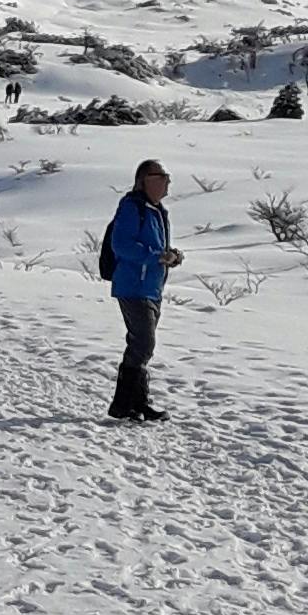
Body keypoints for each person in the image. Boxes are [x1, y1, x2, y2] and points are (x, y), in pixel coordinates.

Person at [97, 157, 181, 423]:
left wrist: (171, 256)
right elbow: (121, 245)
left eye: (168, 178)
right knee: (144, 342)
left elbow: (153, 248)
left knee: (141, 344)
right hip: (134, 286)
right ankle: (129, 404)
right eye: (162, 177)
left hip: (151, 288)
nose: (167, 183)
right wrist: (156, 256)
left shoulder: (157, 211)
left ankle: (132, 405)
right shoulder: (132, 208)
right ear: (146, 180)